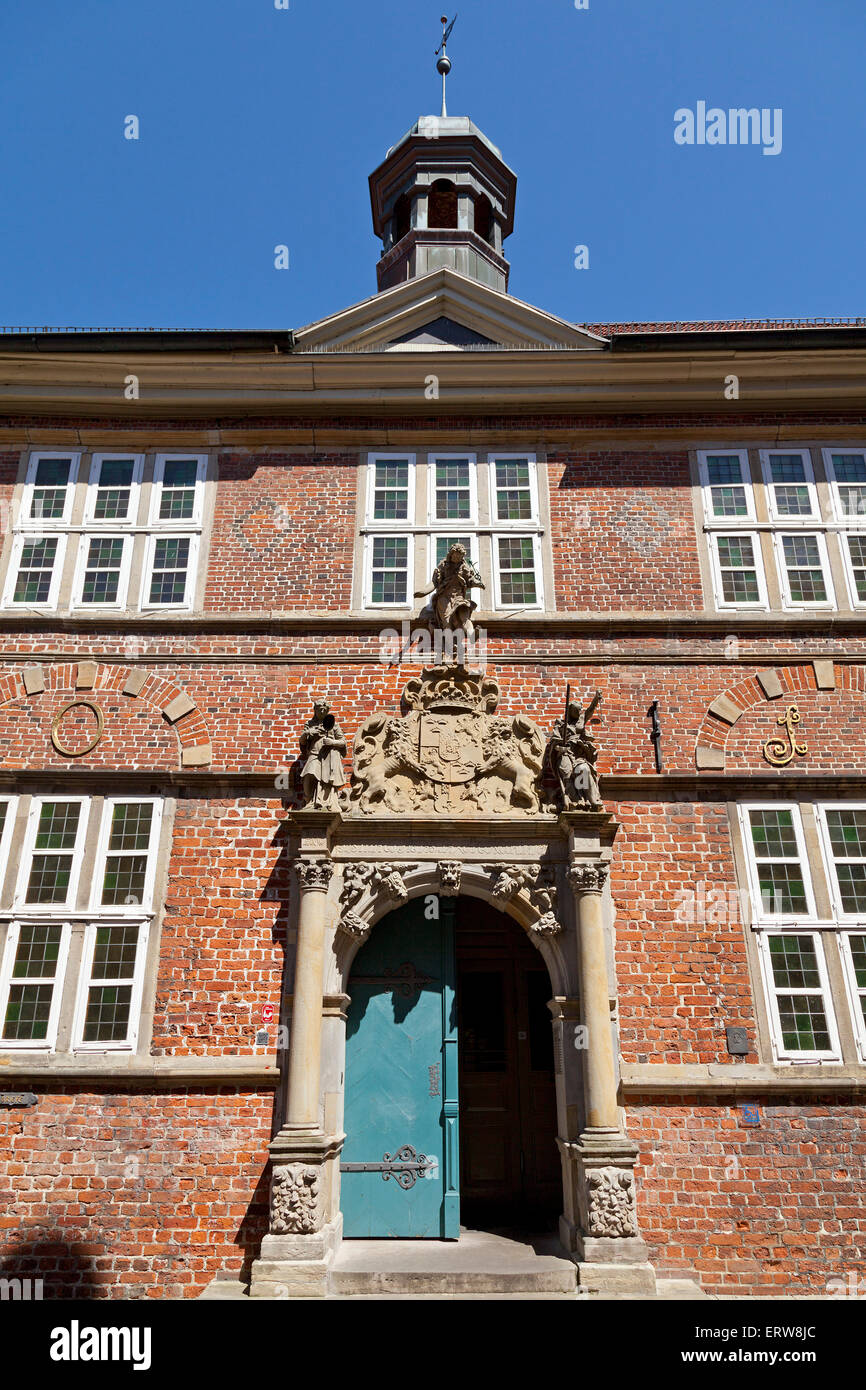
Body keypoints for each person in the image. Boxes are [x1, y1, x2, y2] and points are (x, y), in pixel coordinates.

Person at [299, 701, 347, 809]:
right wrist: (308, 733)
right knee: (309, 774)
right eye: (319, 709)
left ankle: (322, 801)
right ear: (315, 710)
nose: (322, 711)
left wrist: (332, 742)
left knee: (324, 779)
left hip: (328, 757)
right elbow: (302, 741)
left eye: (324, 710)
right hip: (314, 754)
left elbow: (343, 741)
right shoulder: (310, 724)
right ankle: (308, 800)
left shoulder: (333, 724)